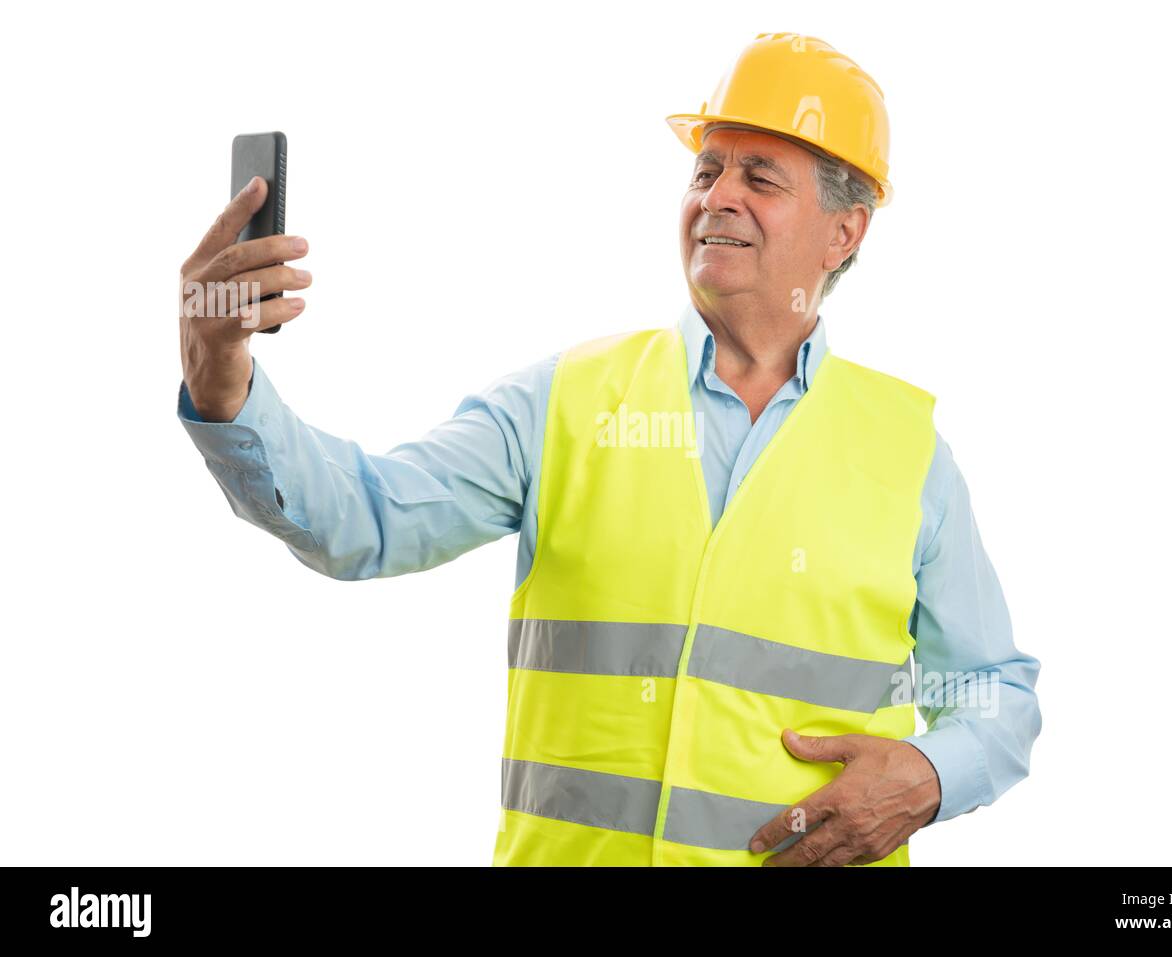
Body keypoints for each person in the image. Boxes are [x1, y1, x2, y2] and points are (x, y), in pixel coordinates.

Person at [176, 32, 1042, 866]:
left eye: (760, 176)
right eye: (706, 170)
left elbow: (995, 690)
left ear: (844, 233)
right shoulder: (565, 401)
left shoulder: (907, 451)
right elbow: (359, 517)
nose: (718, 196)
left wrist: (929, 775)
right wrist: (224, 382)